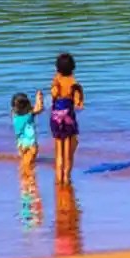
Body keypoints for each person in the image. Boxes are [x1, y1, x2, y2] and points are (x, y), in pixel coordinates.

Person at [50, 53, 84, 185]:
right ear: (72, 67)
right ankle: (66, 178)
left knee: (58, 150)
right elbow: (78, 105)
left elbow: (53, 94)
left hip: (56, 117)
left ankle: (59, 179)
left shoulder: (56, 79)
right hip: (69, 117)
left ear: (57, 67)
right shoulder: (74, 83)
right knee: (68, 153)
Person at [12, 90, 45, 172]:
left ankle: (23, 177)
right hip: (31, 143)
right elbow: (40, 108)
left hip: (20, 144)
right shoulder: (30, 115)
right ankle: (29, 178)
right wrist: (39, 98)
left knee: (25, 161)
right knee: (29, 165)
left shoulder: (14, 114)